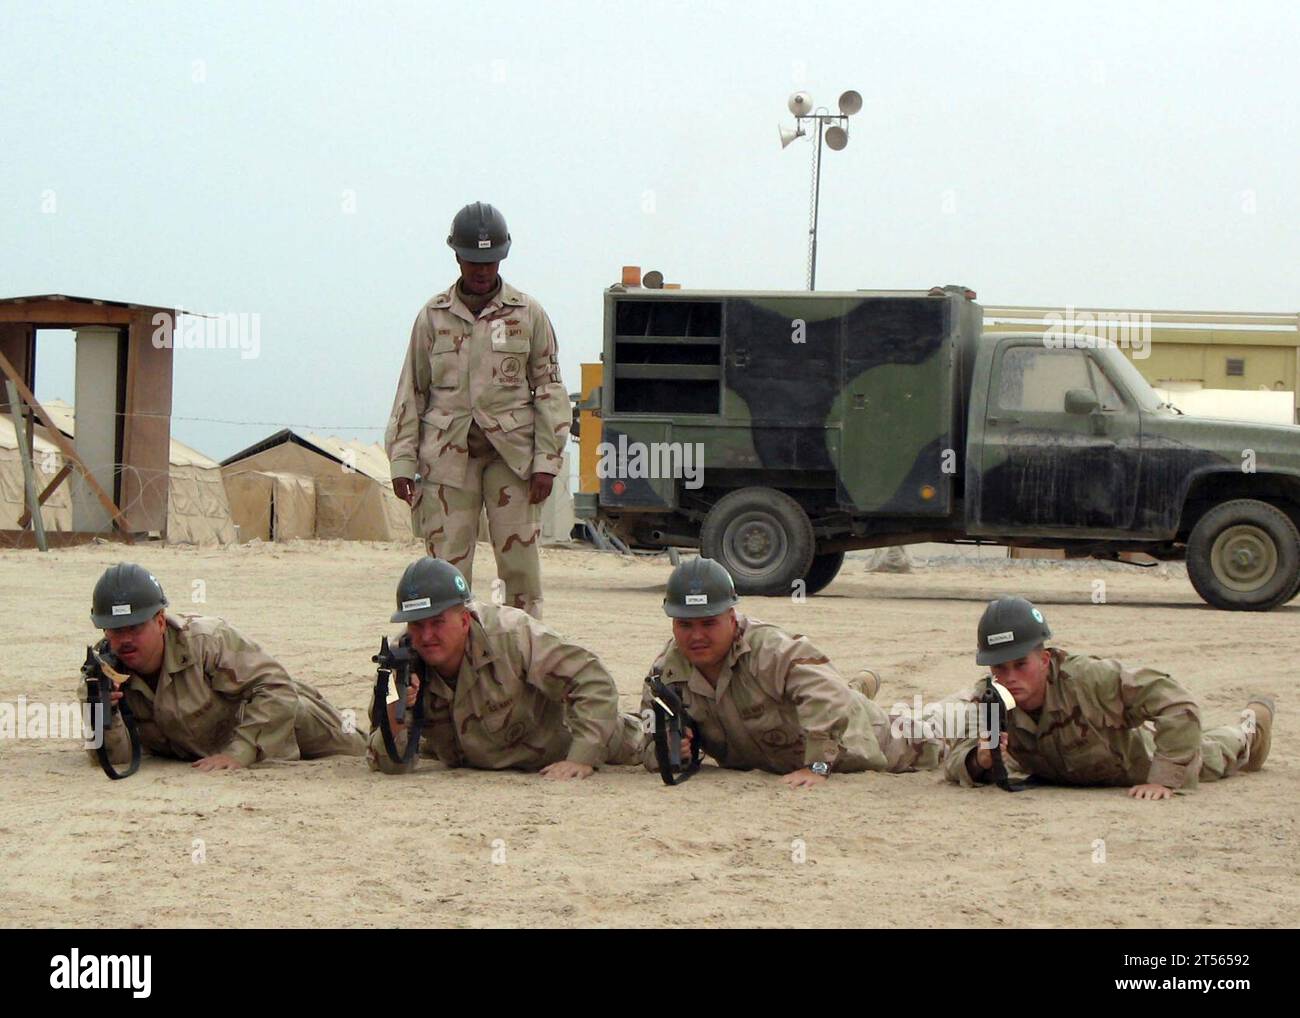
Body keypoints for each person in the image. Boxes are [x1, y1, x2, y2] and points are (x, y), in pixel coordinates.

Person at [384, 202, 568, 620]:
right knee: (444, 572)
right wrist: (401, 461)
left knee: (520, 573)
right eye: (473, 260)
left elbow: (549, 389)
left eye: (490, 260)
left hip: (514, 459)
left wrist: (547, 461)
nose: (482, 270)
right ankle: (450, 661)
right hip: (448, 460)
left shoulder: (528, 314)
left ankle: (524, 657)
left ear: (503, 257)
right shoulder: (433, 317)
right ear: (457, 257)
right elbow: (412, 390)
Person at [638, 557, 941, 788]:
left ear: (732, 618)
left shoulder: (770, 649)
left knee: (935, 744)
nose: (696, 636)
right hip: (780, 740)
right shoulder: (665, 675)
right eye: (685, 625)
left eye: (708, 623)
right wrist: (672, 751)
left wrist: (819, 766)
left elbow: (825, 694)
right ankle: (857, 687)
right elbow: (649, 745)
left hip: (855, 738)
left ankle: (857, 693)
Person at [943, 595, 1275, 797]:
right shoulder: (989, 700)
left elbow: (1175, 701)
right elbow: (956, 760)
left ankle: (1250, 730)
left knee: (1211, 755)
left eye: (1020, 664)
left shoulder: (1089, 679)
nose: (1010, 678)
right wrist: (981, 760)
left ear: (1044, 660)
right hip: (1061, 771)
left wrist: (1163, 781)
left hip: (1133, 766)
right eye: (999, 668)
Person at [367, 557, 643, 778]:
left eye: (437, 622)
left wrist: (581, 759)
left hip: (577, 741)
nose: (426, 636)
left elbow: (592, 679)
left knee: (656, 751)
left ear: (464, 620)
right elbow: (392, 764)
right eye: (417, 624)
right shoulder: (401, 663)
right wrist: (395, 712)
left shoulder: (511, 635)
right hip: (483, 760)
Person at [81, 563, 366, 771]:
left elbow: (277, 688)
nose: (125, 639)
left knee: (367, 751)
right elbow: (115, 758)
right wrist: (105, 711)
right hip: (207, 746)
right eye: (115, 630)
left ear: (159, 620)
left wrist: (238, 754)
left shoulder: (207, 641)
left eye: (134, 627)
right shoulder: (104, 674)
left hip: (291, 723)